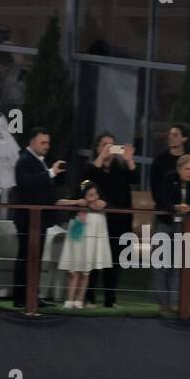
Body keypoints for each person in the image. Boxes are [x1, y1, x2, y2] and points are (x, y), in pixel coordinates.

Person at [12, 127, 66, 307]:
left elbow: (47, 184)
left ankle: (32, 296)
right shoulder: (24, 160)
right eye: (43, 142)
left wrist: (55, 174)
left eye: (48, 142)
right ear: (32, 142)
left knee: (35, 258)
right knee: (26, 257)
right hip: (28, 219)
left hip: (39, 220)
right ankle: (21, 298)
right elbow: (25, 183)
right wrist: (50, 173)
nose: (46, 146)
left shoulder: (41, 160)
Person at [81, 132, 136, 308]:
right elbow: (86, 181)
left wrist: (129, 160)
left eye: (111, 145)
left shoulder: (120, 167)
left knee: (114, 261)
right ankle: (89, 298)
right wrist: (100, 158)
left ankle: (110, 299)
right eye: (104, 144)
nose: (108, 148)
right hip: (99, 220)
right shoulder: (92, 167)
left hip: (119, 220)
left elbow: (135, 178)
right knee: (95, 260)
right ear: (97, 147)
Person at [152, 153, 190, 314]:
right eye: (187, 168)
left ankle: (175, 302)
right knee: (161, 263)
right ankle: (162, 303)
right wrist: (175, 207)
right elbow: (161, 199)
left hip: (184, 225)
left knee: (177, 264)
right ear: (179, 169)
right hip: (165, 221)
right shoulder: (169, 178)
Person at [56, 179, 112, 309]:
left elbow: (111, 205)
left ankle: (79, 300)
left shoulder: (101, 203)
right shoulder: (78, 202)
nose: (94, 198)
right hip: (77, 238)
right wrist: (77, 202)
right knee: (73, 270)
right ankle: (69, 300)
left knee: (85, 272)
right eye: (90, 195)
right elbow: (59, 202)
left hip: (91, 240)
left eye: (96, 194)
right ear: (83, 195)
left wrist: (104, 203)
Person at [150, 123, 190, 206]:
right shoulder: (159, 159)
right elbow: (155, 187)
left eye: (175, 135)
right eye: (170, 134)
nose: (170, 137)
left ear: (184, 138)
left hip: (187, 211)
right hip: (164, 210)